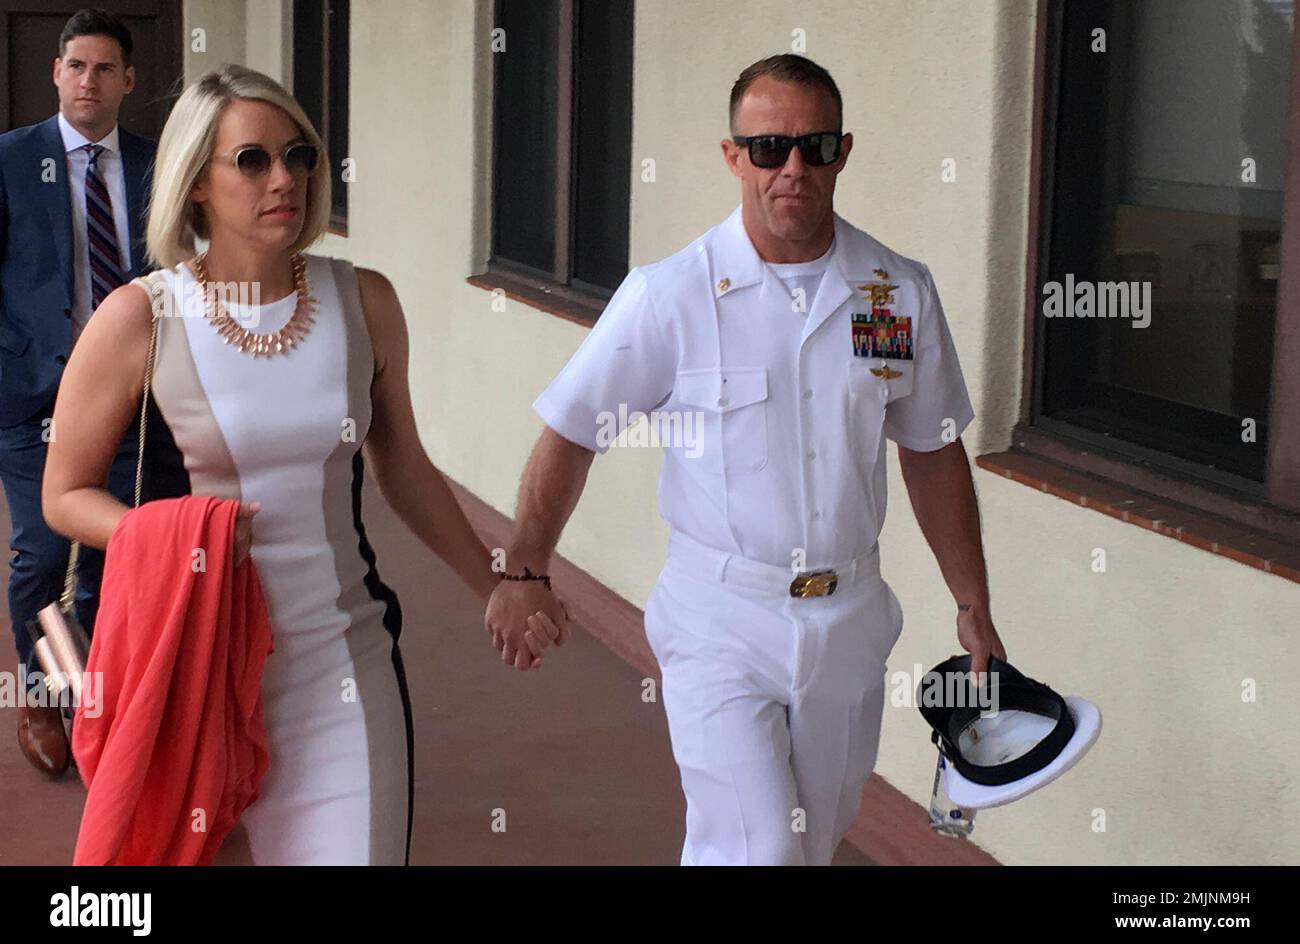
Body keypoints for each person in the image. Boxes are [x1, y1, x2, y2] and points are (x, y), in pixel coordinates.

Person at [485, 53, 1007, 865]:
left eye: (814, 145)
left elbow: (932, 449)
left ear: (843, 152)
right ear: (733, 157)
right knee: (756, 845)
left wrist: (971, 603)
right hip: (718, 618)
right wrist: (525, 571)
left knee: (814, 835)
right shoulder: (671, 297)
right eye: (768, 149)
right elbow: (574, 429)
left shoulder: (892, 292)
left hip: (849, 615)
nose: (791, 167)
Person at [42, 64, 563, 865]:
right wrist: (177, 537)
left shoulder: (366, 302)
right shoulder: (142, 316)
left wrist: (495, 581)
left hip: (341, 665)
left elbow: (406, 470)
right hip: (199, 670)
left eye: (300, 155)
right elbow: (64, 493)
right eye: (251, 161)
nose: (283, 177)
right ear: (196, 185)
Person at [0, 8, 188, 776]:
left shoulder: (157, 166)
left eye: (106, 69)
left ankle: (98, 701)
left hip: (138, 396)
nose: (89, 80)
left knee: (120, 552)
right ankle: (44, 693)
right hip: (34, 396)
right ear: (56, 72)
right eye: (77, 65)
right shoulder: (11, 159)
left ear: (128, 82)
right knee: (40, 557)